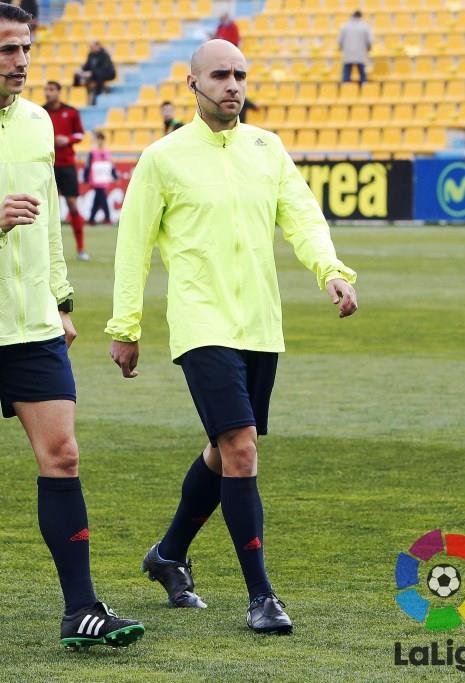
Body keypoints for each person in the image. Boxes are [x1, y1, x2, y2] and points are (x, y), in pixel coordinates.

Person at [0, 0, 145, 650]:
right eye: (8, 50)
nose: (22, 61)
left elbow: (46, 225)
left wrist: (60, 300)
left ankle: (81, 608)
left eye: (27, 49)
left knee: (62, 453)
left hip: (33, 324)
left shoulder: (38, 122)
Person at [106, 39, 358, 636]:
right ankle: (261, 597)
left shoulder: (268, 149)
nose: (233, 85)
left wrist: (331, 271)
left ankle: (168, 555)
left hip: (261, 325)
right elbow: (133, 248)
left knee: (225, 451)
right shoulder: (163, 158)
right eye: (220, 74)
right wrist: (125, 326)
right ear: (192, 84)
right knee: (242, 448)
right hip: (201, 324)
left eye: (240, 74)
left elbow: (303, 217)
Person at [44, 80, 89, 259]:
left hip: (67, 165)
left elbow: (80, 134)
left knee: (72, 205)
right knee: (46, 208)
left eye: (51, 90)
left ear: (58, 92)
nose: (48, 93)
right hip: (47, 165)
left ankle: (81, 249)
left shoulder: (71, 112)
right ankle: (46, 250)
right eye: (46, 90)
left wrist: (68, 139)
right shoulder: (40, 112)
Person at [84, 130, 115, 224]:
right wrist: (86, 177)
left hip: (104, 179)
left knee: (98, 198)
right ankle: (107, 217)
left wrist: (114, 175)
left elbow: (111, 165)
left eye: (102, 139)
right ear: (97, 140)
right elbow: (88, 165)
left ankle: (91, 219)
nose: (100, 141)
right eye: (99, 139)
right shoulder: (92, 152)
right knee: (102, 197)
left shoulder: (107, 152)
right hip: (96, 178)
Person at [75, 41, 116, 105]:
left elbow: (105, 68)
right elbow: (87, 66)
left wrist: (92, 72)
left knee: (98, 75)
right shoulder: (90, 55)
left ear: (98, 46)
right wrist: (81, 70)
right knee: (78, 75)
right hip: (94, 74)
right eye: (90, 47)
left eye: (92, 47)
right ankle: (78, 93)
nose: (91, 48)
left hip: (107, 74)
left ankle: (98, 94)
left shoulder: (104, 55)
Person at [338, 10, 372, 84]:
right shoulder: (365, 26)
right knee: (362, 71)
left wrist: (341, 47)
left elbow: (340, 40)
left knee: (347, 71)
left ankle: (346, 85)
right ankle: (363, 85)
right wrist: (369, 48)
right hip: (361, 52)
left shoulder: (345, 26)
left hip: (348, 52)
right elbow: (369, 40)